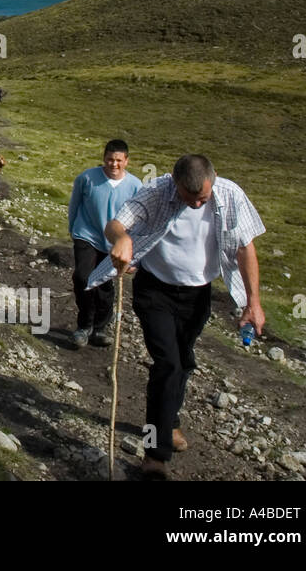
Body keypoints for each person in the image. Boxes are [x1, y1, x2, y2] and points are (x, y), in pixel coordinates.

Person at [94, 154, 265, 479]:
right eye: (189, 199)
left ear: (211, 182)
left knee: (184, 361)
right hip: (154, 290)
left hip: (197, 294)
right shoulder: (156, 191)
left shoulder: (230, 196)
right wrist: (123, 239)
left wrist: (253, 302)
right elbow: (115, 223)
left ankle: (169, 419)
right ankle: (154, 456)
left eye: (202, 198)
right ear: (175, 185)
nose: (197, 205)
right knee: (167, 364)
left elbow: (245, 247)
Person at [68, 140, 140, 348]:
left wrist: (133, 252)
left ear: (126, 161)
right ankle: (84, 325)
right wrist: (73, 228)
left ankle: (100, 327)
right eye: (110, 159)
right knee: (82, 277)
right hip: (87, 234)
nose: (113, 164)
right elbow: (75, 204)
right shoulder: (87, 178)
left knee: (105, 285)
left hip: (115, 242)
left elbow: (139, 220)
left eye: (118, 160)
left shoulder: (135, 186)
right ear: (104, 158)